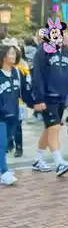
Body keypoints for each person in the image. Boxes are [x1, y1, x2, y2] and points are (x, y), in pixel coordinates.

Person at [31, 33, 68, 176]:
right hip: (47, 97)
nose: (65, 36)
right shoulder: (43, 51)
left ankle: (37, 159)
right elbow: (37, 75)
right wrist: (38, 98)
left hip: (62, 96)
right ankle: (59, 162)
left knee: (50, 128)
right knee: (54, 128)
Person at [0, 44, 26, 185]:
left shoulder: (16, 72)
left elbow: (21, 93)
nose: (14, 55)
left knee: (6, 142)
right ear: (4, 56)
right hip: (1, 116)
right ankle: (4, 172)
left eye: (14, 53)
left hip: (13, 115)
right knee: (2, 145)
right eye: (11, 53)